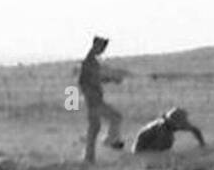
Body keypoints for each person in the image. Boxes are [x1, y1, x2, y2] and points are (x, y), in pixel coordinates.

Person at [78, 35, 124, 163]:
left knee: (94, 128)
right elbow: (89, 81)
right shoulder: (90, 62)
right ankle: (110, 141)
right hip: (94, 100)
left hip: (93, 99)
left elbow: (94, 79)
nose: (103, 50)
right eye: (102, 47)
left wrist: (110, 80)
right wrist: (111, 79)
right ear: (95, 45)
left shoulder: (91, 61)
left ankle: (89, 157)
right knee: (116, 117)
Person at [132, 106, 205, 153]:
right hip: (141, 152)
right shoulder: (162, 131)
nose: (181, 127)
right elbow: (157, 153)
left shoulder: (168, 126)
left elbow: (195, 130)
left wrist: (202, 145)